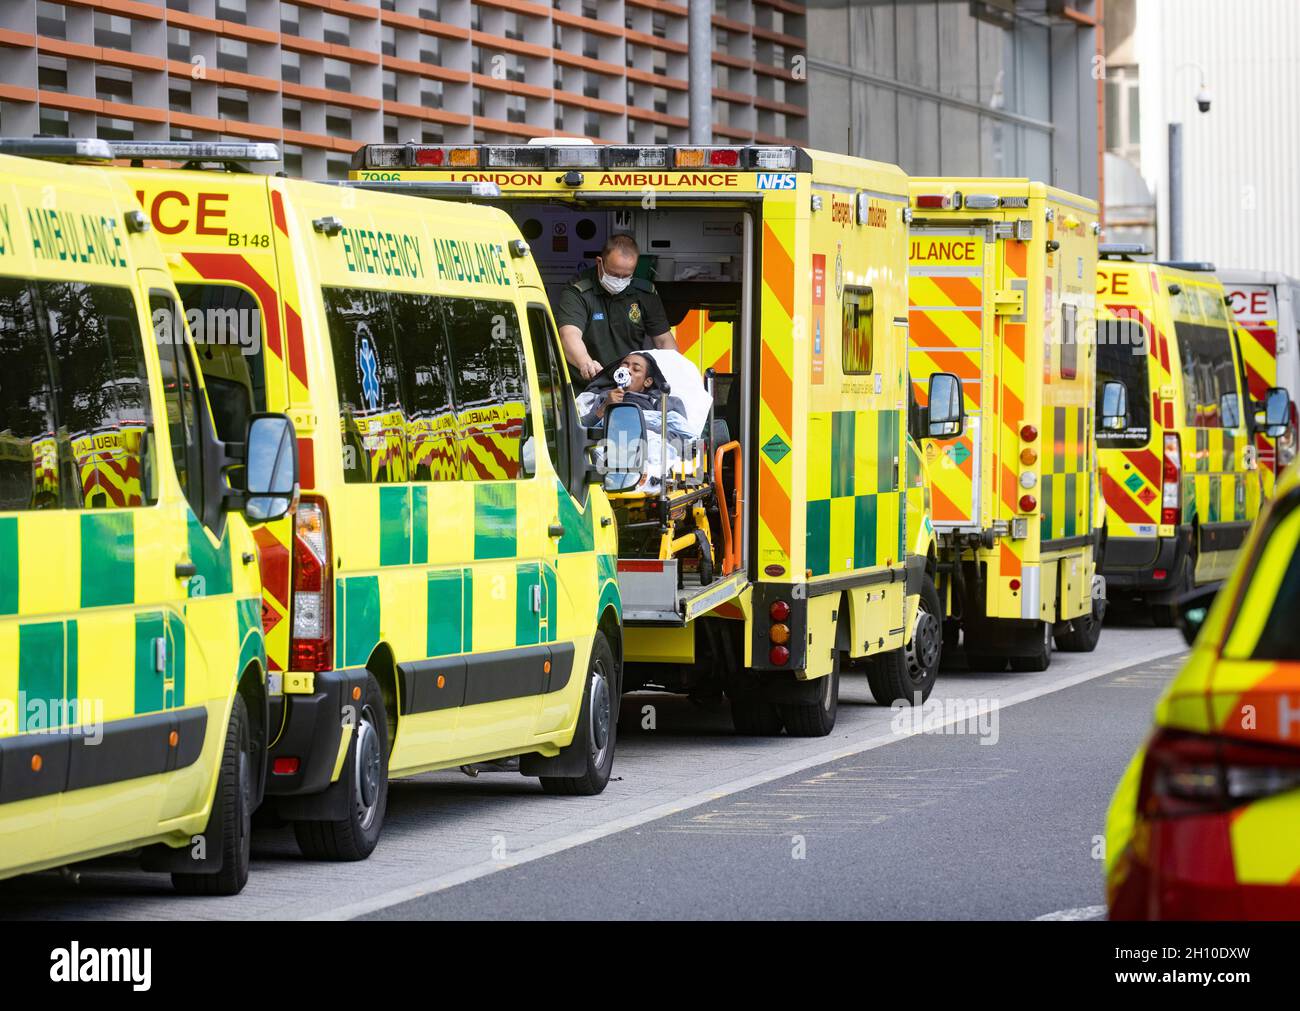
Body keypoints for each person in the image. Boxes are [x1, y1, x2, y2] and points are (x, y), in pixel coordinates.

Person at [555, 233, 676, 382]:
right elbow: (569, 334)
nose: (619, 281)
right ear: (599, 262)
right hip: (587, 384)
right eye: (614, 274)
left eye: (626, 276)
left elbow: (664, 341)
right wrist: (585, 363)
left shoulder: (645, 293)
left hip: (629, 385)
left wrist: (675, 372)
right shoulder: (578, 291)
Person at [577, 353, 693, 439]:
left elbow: (683, 437)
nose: (628, 371)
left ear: (647, 382)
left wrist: (640, 430)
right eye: (624, 366)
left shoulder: (665, 402)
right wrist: (604, 408)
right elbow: (579, 429)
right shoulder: (602, 397)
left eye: (636, 369)